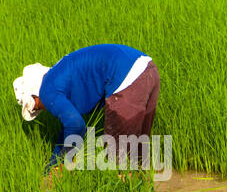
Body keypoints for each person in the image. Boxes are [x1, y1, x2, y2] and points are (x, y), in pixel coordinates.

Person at [12, 43, 159, 171]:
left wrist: (67, 157)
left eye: (36, 107)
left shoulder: (47, 90)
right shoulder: (59, 76)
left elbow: (76, 126)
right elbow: (68, 128)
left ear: (34, 96)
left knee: (117, 161)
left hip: (126, 78)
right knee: (139, 153)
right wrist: (54, 163)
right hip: (148, 68)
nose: (41, 109)